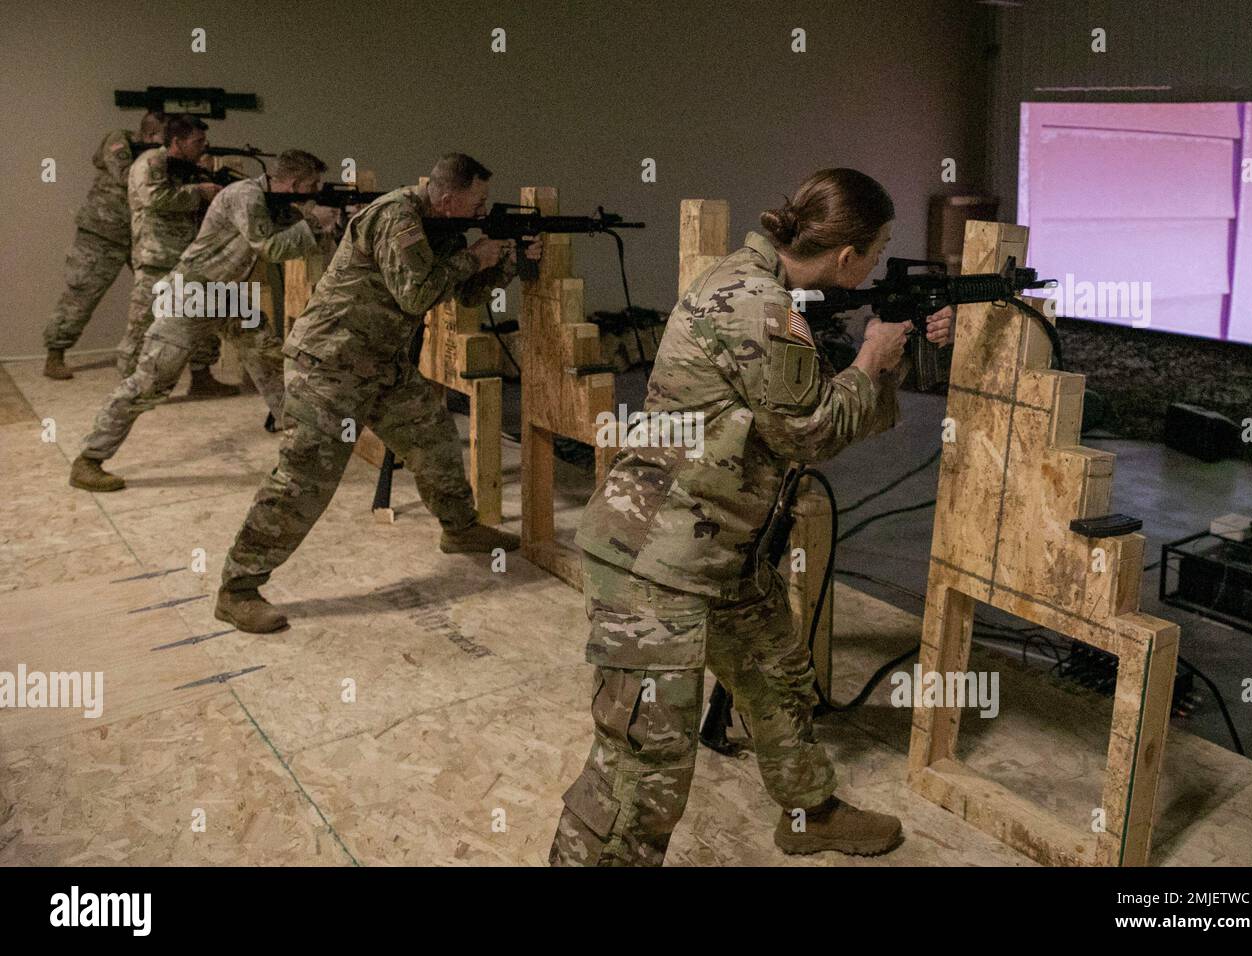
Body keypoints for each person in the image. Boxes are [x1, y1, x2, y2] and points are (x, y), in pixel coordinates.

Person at [549, 168, 955, 866]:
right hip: (657, 556)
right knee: (644, 764)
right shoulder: (759, 304)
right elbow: (810, 431)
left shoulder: (761, 281)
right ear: (848, 256)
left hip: (720, 544)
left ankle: (810, 812)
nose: (877, 266)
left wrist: (896, 343)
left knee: (777, 676)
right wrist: (872, 358)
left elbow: (791, 386)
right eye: (879, 251)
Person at [215, 152, 535, 634]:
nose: (482, 210)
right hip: (329, 365)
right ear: (448, 200)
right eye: (478, 201)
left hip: (381, 364)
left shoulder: (439, 225)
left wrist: (506, 262)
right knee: (304, 481)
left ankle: (459, 528)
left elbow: (468, 294)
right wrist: (476, 256)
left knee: (435, 444)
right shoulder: (396, 217)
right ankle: (237, 588)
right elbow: (416, 294)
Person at [69, 149, 340, 493]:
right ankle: (89, 459)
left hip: (225, 297)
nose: (314, 192)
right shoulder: (246, 195)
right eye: (311, 185)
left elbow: (299, 244)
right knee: (151, 381)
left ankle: (302, 452)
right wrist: (316, 221)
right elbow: (270, 247)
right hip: (191, 294)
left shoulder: (278, 205)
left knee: (270, 361)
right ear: (296, 182)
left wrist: (337, 223)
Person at [118, 113, 235, 396]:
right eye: (198, 141)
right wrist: (200, 192)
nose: (204, 146)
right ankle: (129, 386)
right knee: (143, 322)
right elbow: (155, 198)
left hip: (188, 257)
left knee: (199, 319)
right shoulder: (150, 162)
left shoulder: (187, 167)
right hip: (156, 256)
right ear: (177, 142)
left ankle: (202, 377)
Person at [43, 111, 165, 379]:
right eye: (161, 138)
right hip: (102, 231)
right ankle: (55, 355)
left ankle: (174, 358)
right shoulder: (119, 140)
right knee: (82, 293)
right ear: (150, 135)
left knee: (166, 291)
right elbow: (125, 176)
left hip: (139, 234)